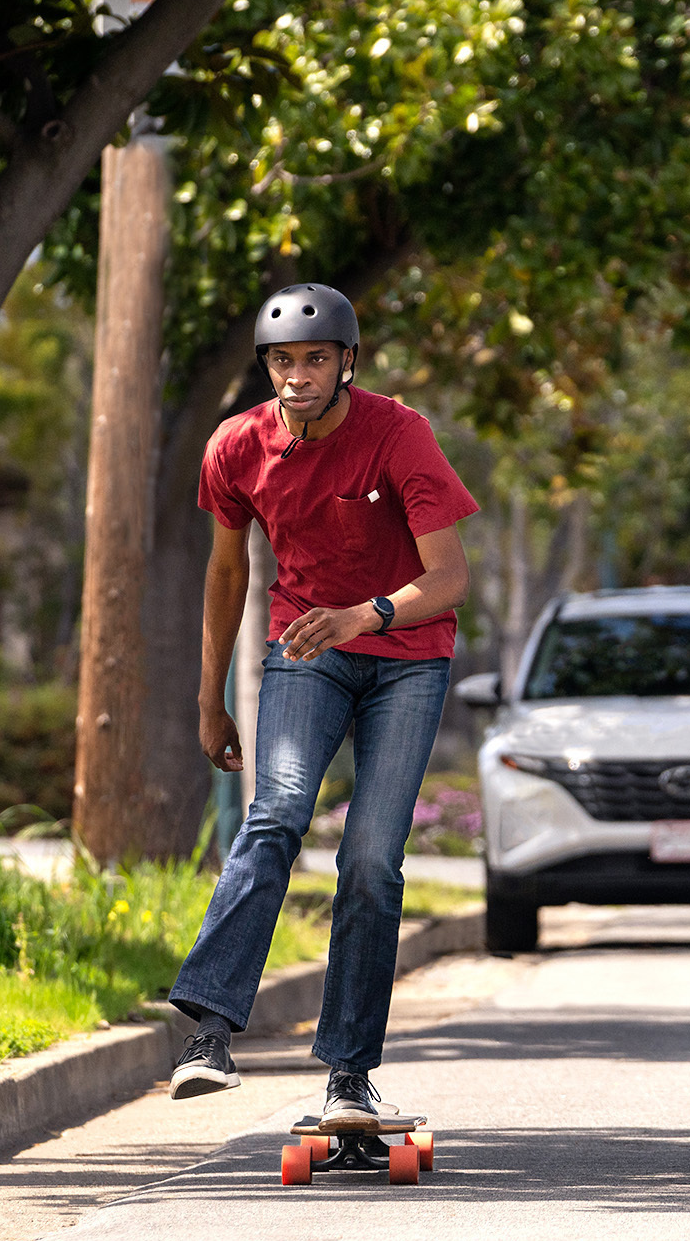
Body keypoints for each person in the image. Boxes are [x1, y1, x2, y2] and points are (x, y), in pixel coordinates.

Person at [166, 282, 476, 1133]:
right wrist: (212, 698)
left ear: (347, 363)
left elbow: (449, 577)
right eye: (280, 361)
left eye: (313, 360)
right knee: (276, 816)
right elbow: (227, 573)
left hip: (408, 657)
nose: (296, 376)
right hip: (308, 651)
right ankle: (209, 1035)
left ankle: (349, 1073)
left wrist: (365, 614)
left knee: (371, 861)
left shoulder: (398, 433)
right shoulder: (237, 447)